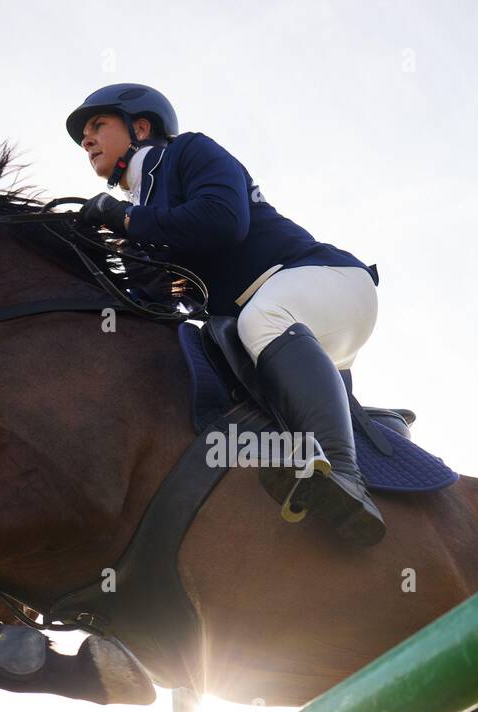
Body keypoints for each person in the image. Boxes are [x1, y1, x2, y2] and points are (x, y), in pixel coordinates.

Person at [67, 84, 385, 547]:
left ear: (140, 127)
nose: (86, 140)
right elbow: (150, 305)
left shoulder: (188, 151)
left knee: (262, 319)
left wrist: (122, 219)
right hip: (289, 328)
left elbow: (222, 220)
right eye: (84, 136)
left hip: (326, 282)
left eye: (97, 126)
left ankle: (342, 471)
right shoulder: (139, 211)